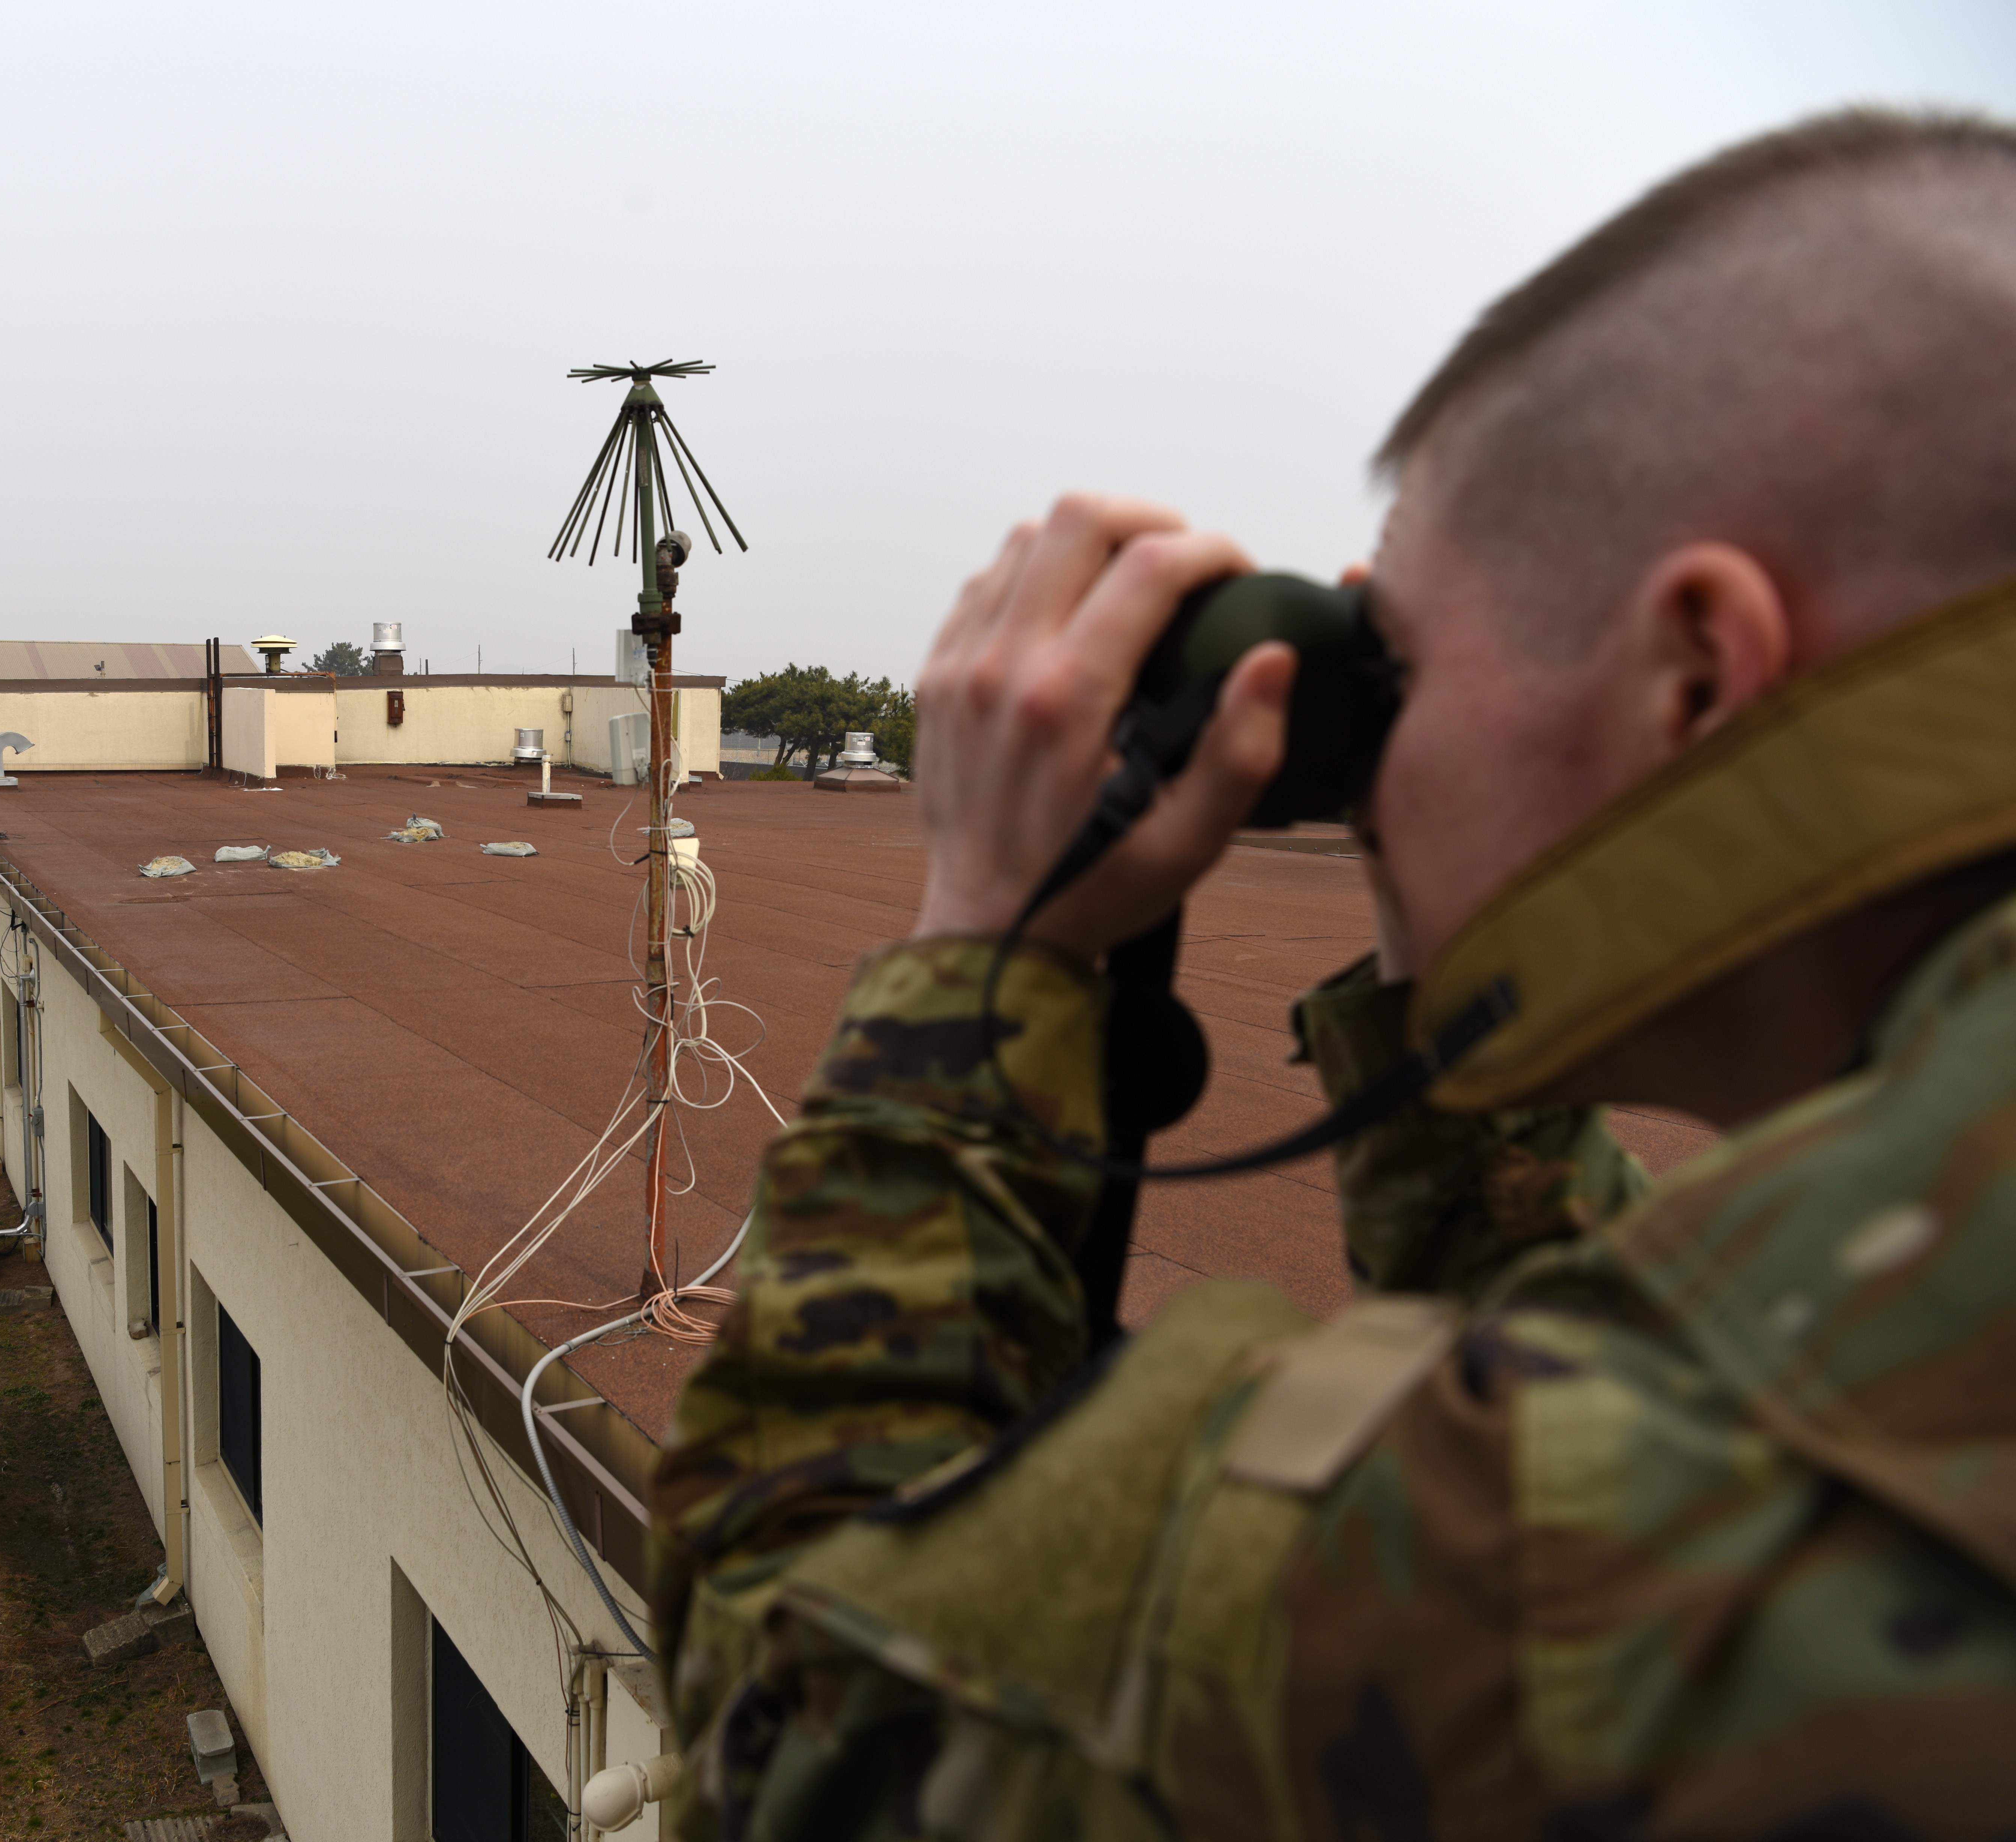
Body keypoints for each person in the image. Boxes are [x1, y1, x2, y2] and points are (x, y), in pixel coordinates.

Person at [650, 108, 2016, 1839]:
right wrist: (1452, 900)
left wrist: (982, 956)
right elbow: (1633, 1348)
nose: (1376, 736)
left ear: (1693, 675)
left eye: (1410, 666)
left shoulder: (1606, 1533)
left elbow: (787, 1724)